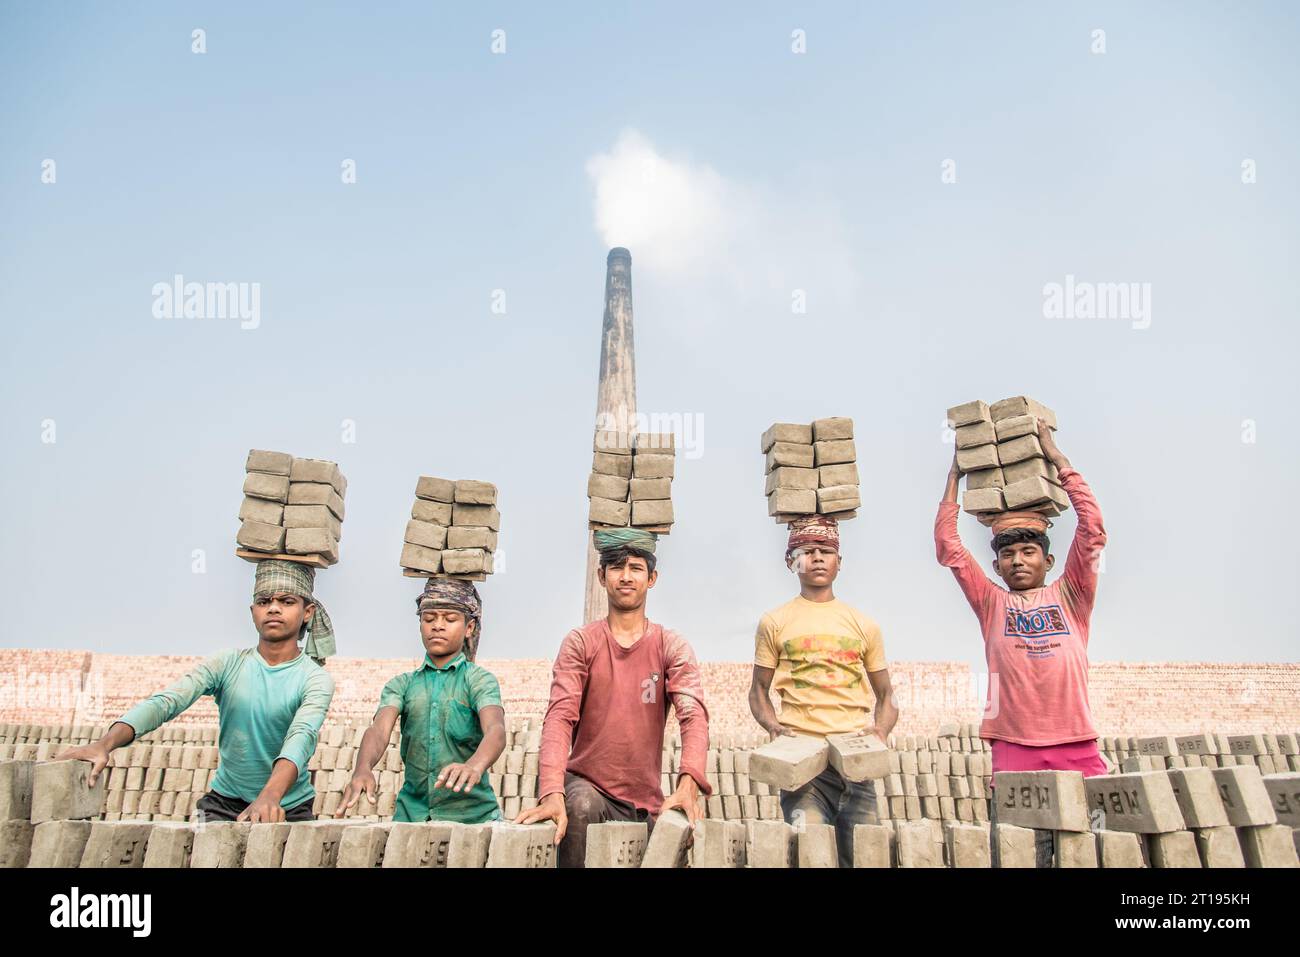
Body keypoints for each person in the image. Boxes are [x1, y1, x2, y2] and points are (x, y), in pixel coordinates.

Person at [935, 418, 1107, 866]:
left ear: (1048, 559)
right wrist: (955, 475)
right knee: (1019, 856)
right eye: (1007, 555)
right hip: (1013, 747)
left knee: (1093, 854)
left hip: (1076, 744)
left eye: (1028, 552)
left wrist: (1056, 458)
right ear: (997, 566)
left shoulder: (1073, 595)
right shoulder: (990, 603)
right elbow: (949, 546)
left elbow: (1092, 530)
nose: (1017, 561)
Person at [57, 559, 336, 823]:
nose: (273, 609)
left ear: (307, 612)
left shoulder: (314, 679)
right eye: (264, 602)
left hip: (287, 805)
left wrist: (270, 796)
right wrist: (104, 744)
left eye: (286, 602)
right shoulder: (228, 663)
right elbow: (169, 702)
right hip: (224, 803)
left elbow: (301, 737)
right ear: (253, 611)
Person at [515, 528, 711, 868]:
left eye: (635, 568)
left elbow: (693, 717)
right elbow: (560, 717)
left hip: (644, 800)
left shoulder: (670, 645)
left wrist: (688, 786)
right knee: (579, 808)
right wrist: (551, 791)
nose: (625, 577)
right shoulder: (581, 643)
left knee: (677, 838)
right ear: (601, 576)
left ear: (652, 578)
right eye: (616, 568)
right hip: (587, 786)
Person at [748, 515, 898, 867]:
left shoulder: (864, 624)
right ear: (791, 562)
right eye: (807, 551)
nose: (817, 558)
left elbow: (887, 695)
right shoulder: (775, 621)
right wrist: (773, 727)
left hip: (855, 763)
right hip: (803, 766)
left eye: (825, 551)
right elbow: (758, 690)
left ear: (839, 563)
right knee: (810, 854)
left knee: (865, 858)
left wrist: (880, 731)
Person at [338, 578, 505, 823]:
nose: (437, 626)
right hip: (411, 816)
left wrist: (474, 766)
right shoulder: (402, 684)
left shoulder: (478, 681)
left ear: (469, 628)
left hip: (473, 817)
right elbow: (379, 731)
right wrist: (363, 768)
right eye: (429, 619)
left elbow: (496, 730)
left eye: (449, 619)